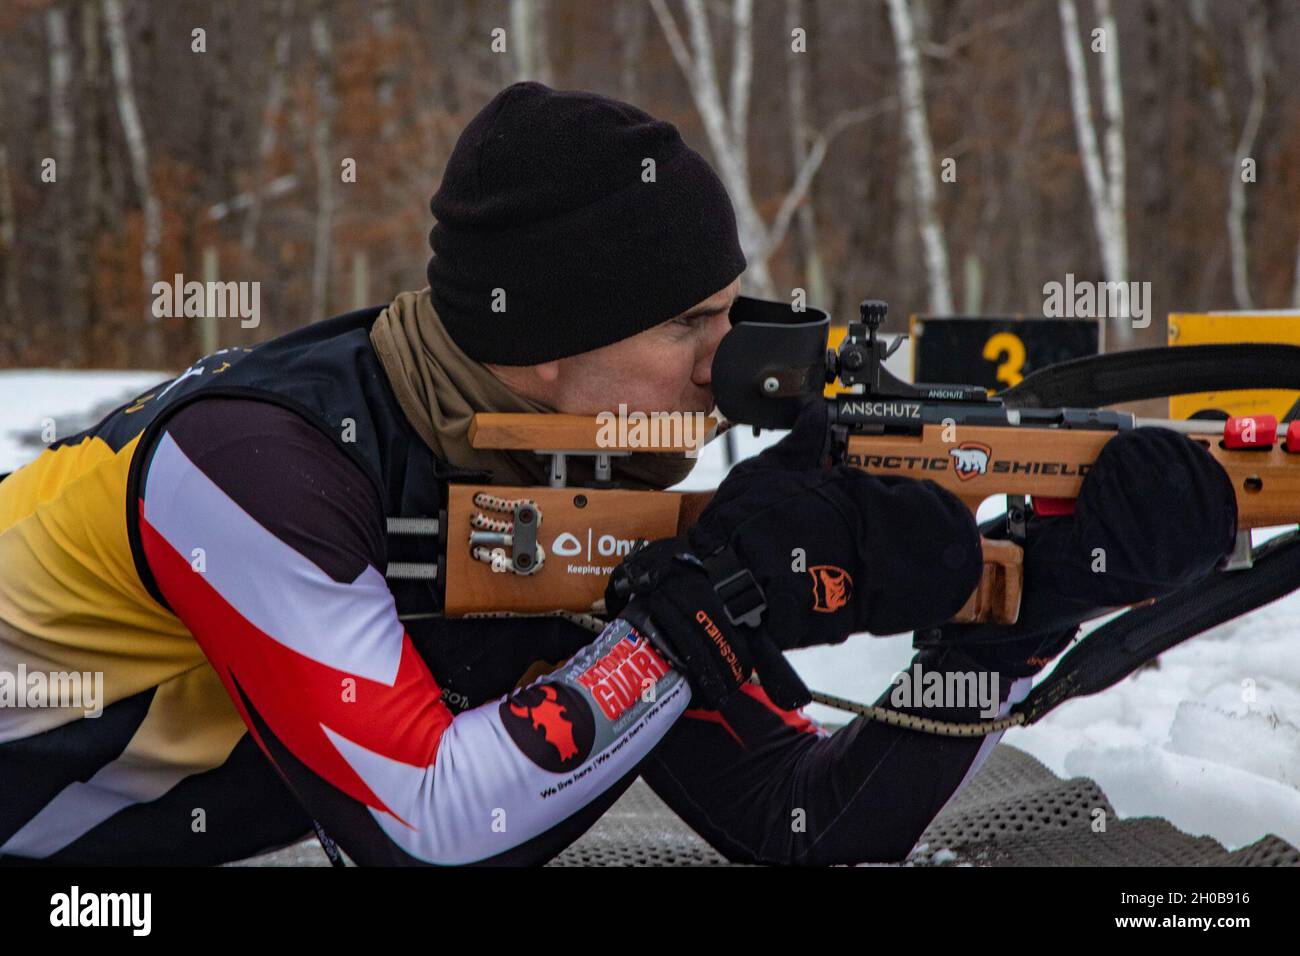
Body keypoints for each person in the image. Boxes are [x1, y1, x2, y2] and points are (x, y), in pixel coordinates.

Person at [0, 83, 1236, 866]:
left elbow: (794, 818)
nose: (729, 367)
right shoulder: (253, 468)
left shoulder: (580, 479)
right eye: (690, 326)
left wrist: (1008, 619)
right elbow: (432, 831)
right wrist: (700, 612)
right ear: (547, 351)